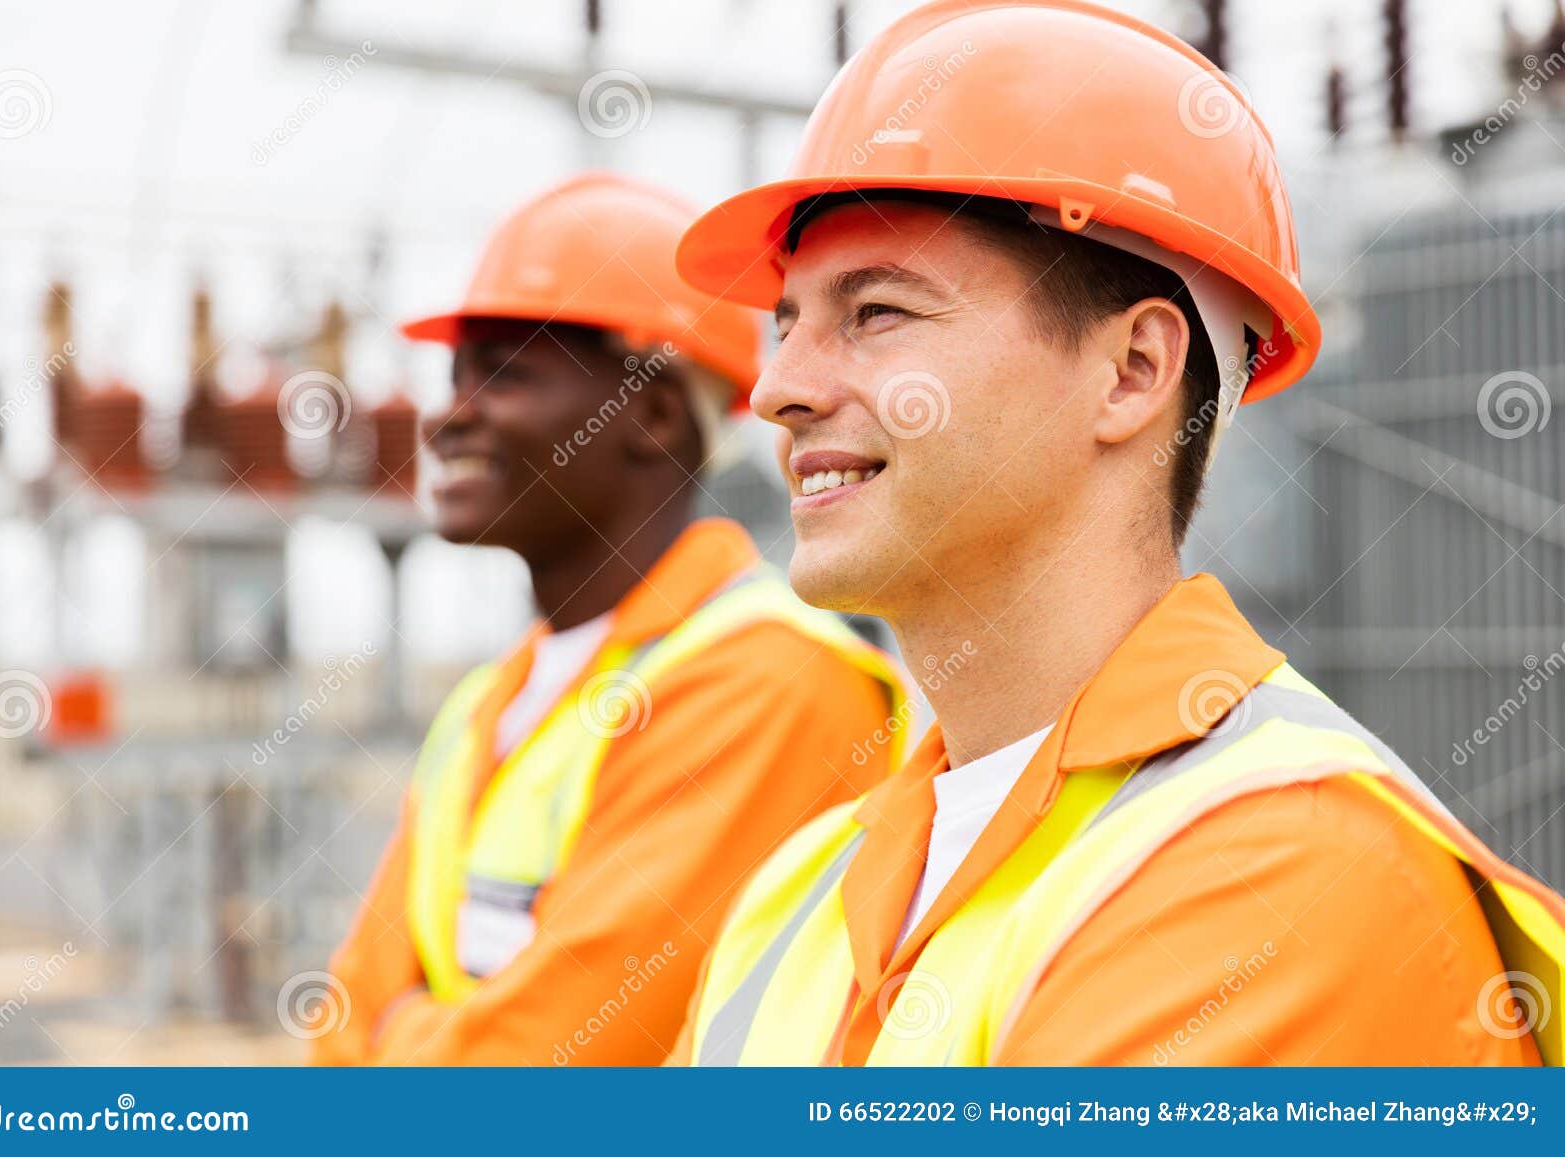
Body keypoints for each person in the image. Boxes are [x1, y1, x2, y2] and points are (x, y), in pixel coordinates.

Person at [667, 0, 1565, 1066]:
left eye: (877, 313)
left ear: (1134, 370)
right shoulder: (803, 888)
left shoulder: (1282, 866)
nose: (777, 389)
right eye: (785, 325)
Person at [310, 172, 905, 1066]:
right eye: (455, 377)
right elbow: (342, 1018)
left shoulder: (774, 685)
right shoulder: (490, 703)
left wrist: (404, 1031)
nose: (446, 419)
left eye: (503, 376)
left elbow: (553, 1073)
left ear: (656, 414)